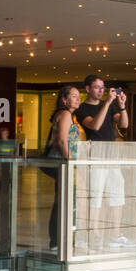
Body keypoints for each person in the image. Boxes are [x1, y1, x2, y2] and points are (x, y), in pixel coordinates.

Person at [76, 75, 132, 251]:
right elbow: (95, 126)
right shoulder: (82, 108)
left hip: (112, 156)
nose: (101, 90)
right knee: (96, 198)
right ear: (88, 89)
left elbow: (124, 124)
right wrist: (108, 103)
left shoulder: (109, 106)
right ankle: (96, 234)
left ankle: (115, 234)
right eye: (96, 87)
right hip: (96, 157)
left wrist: (121, 105)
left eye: (103, 87)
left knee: (117, 196)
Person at [44, 85, 80, 251]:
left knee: (61, 201)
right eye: (73, 96)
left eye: (79, 96)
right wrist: (69, 160)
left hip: (61, 162)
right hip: (62, 163)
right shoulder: (65, 114)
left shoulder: (65, 114)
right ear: (64, 99)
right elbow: (61, 141)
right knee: (64, 202)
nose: (78, 98)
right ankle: (58, 240)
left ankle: (56, 240)